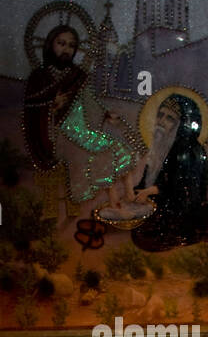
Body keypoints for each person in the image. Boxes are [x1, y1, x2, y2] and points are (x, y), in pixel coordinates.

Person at [21, 24, 135, 219]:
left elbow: (89, 101)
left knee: (118, 147)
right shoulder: (39, 77)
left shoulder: (78, 76)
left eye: (71, 45)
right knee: (100, 154)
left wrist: (106, 115)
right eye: (61, 43)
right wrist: (52, 105)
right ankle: (114, 201)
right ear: (50, 45)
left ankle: (130, 195)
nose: (66, 49)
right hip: (56, 136)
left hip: (81, 131)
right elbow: (32, 110)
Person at [129, 92, 208, 252]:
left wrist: (150, 191)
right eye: (160, 115)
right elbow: (148, 179)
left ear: (182, 123)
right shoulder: (160, 146)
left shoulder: (189, 150)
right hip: (159, 203)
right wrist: (137, 192)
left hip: (183, 208)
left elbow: (183, 187)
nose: (161, 122)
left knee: (147, 235)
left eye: (169, 118)